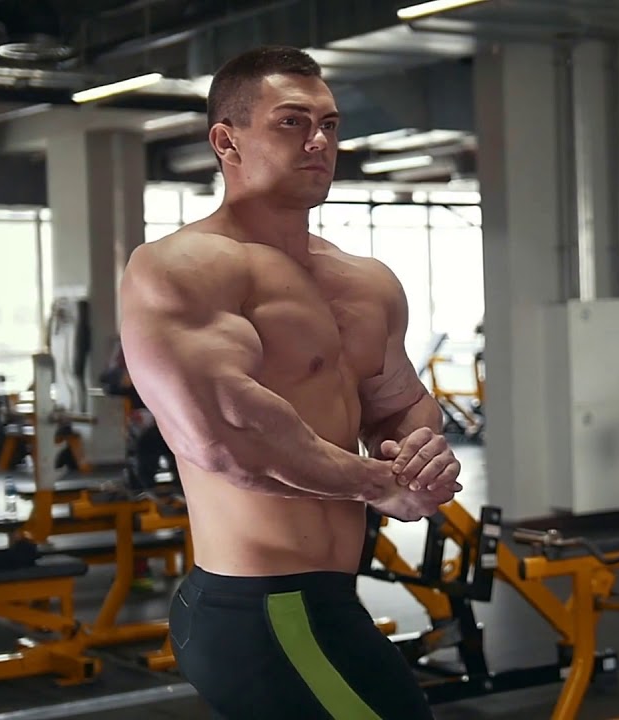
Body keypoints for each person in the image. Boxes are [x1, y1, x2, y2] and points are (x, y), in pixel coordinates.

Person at [118, 45, 462, 719]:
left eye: (329, 124)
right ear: (226, 141)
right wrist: (380, 485)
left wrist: (419, 452)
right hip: (264, 606)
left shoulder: (367, 282)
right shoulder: (181, 268)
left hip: (326, 598)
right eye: (292, 122)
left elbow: (400, 404)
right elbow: (226, 442)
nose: (319, 141)